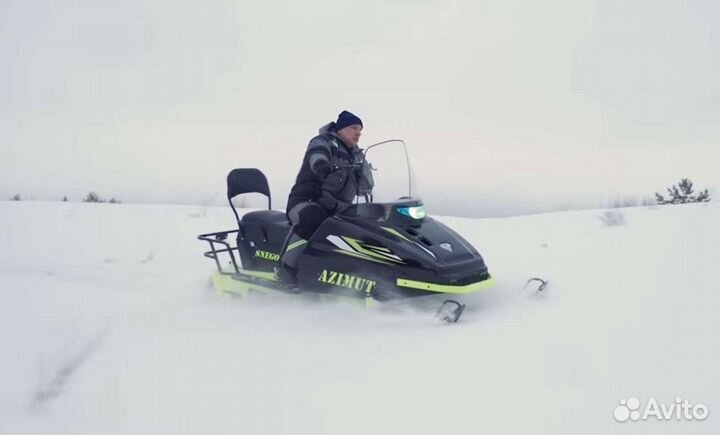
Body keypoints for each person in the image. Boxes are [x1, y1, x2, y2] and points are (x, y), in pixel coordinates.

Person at [274, 110, 373, 288]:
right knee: (314, 218)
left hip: (338, 207)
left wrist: (366, 178)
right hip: (307, 202)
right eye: (353, 128)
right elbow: (316, 153)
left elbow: (365, 184)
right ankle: (285, 268)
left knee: (364, 227)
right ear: (341, 129)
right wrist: (321, 164)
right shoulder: (324, 141)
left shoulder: (357, 154)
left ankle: (361, 275)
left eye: (360, 129)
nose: (358, 132)